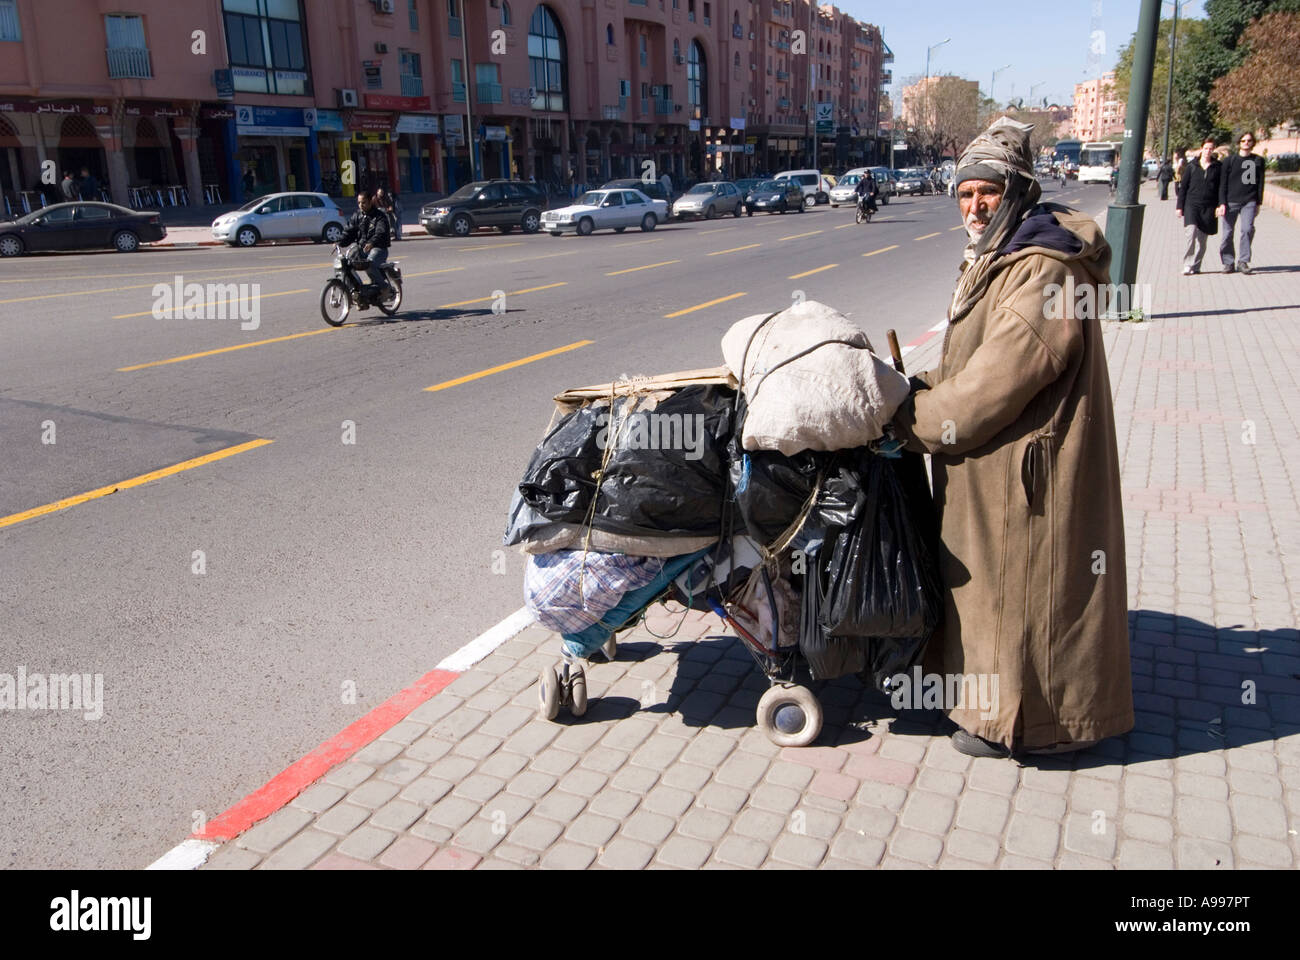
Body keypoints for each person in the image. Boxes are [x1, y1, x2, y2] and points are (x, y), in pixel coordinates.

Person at [889, 116, 1133, 759]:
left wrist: (911, 423)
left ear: (1016, 191)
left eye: (986, 193)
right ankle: (989, 712)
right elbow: (968, 360)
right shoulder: (999, 257)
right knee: (994, 596)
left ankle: (1037, 727)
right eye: (965, 195)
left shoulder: (1045, 269)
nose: (974, 206)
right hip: (992, 464)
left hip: (1029, 469)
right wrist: (914, 387)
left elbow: (997, 380)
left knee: (1028, 596)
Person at [1216, 131, 1265, 274]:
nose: (1246, 143)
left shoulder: (1258, 160)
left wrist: (1258, 203)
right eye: (1243, 141)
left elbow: (1260, 183)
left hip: (1249, 201)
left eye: (1249, 141)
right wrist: (1222, 203)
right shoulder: (1229, 161)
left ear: (1253, 143)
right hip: (1231, 202)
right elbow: (1222, 184)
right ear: (1238, 143)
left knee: (1247, 229)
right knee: (1227, 233)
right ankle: (1228, 262)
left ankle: (1243, 262)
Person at [1175, 137, 1221, 276]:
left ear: (1213, 150)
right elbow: (1183, 188)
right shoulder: (1192, 166)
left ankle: (1196, 265)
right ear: (1201, 149)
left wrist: (1220, 205)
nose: (1208, 151)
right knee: (1191, 233)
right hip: (1192, 205)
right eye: (1206, 148)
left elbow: (1220, 188)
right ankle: (1187, 265)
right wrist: (1179, 206)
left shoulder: (1217, 167)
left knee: (1202, 240)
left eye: (1211, 149)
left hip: (1208, 207)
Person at [338, 191, 392, 292]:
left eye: (363, 202)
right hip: (362, 249)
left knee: (369, 264)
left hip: (378, 248)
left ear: (370, 202)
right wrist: (339, 242)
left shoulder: (379, 216)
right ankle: (356, 290)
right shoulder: (357, 216)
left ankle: (384, 288)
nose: (361, 205)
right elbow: (349, 231)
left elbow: (380, 232)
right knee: (345, 264)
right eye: (359, 203)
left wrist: (372, 243)